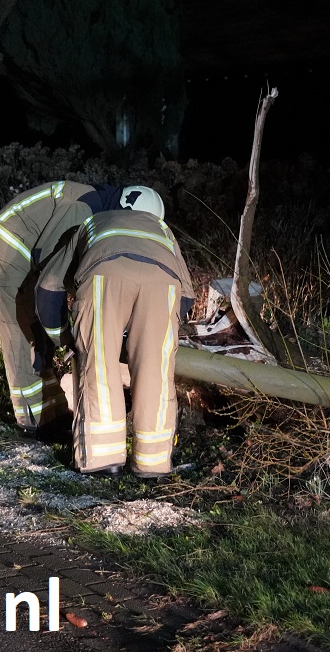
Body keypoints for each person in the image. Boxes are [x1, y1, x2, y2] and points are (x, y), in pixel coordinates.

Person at [36, 186, 195, 478]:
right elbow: (185, 298)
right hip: (163, 284)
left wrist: (64, 338)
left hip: (102, 276)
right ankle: (154, 463)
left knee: (99, 366)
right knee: (155, 371)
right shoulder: (162, 229)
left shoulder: (93, 223)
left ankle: (102, 460)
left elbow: (48, 290)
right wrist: (148, 332)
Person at [0, 181, 123, 438]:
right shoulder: (82, 209)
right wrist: (67, 329)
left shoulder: (94, 205)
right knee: (19, 335)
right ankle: (32, 421)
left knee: (39, 336)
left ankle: (53, 412)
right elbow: (51, 263)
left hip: (26, 254)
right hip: (7, 251)